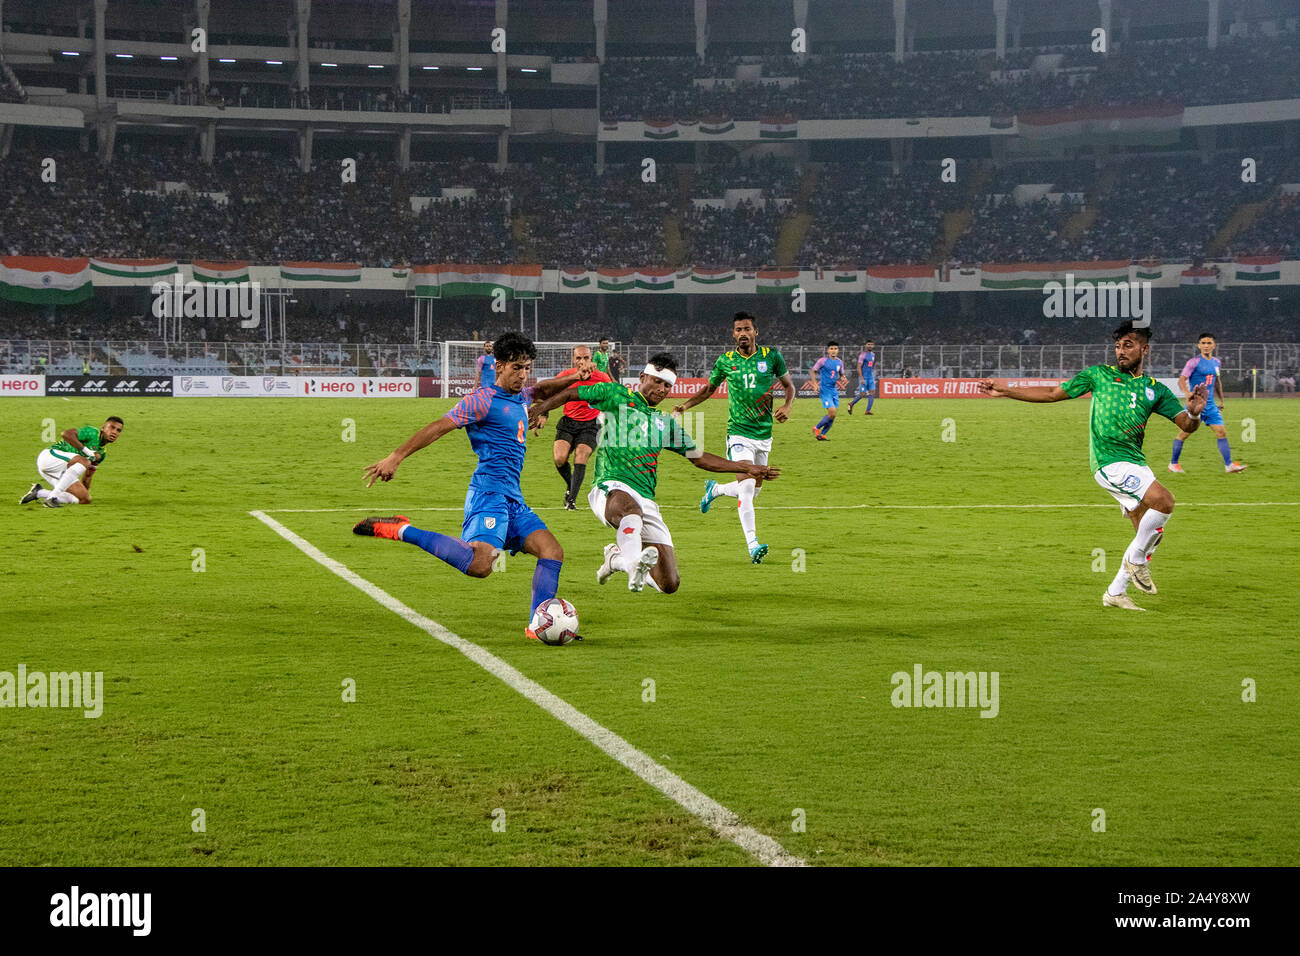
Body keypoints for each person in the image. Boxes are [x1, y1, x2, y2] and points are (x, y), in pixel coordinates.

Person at [978, 321, 1208, 611]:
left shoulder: (1156, 390)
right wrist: (1007, 390)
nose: (1121, 351)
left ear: (1144, 349)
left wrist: (1195, 412)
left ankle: (1115, 592)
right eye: (1118, 346)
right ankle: (1136, 561)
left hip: (1136, 463)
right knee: (1164, 501)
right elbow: (1052, 393)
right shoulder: (1099, 375)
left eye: (1128, 345)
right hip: (1108, 462)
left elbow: (1185, 424)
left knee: (1146, 535)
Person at [354, 333, 565, 641]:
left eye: (527, 368)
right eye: (517, 367)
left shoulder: (521, 397)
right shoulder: (482, 400)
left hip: (513, 499)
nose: (523, 374)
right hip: (488, 495)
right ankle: (401, 529)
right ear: (500, 366)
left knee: (552, 551)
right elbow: (438, 428)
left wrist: (579, 378)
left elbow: (545, 389)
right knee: (480, 566)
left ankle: (538, 625)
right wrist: (396, 457)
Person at [527, 354, 780, 593]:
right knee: (629, 510)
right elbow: (573, 392)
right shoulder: (615, 394)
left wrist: (747, 467)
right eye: (657, 381)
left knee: (668, 584)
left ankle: (617, 560)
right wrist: (541, 409)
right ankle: (632, 563)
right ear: (642, 377)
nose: (661, 389)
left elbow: (699, 457)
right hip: (610, 487)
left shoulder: (665, 423)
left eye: (667, 386)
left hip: (645, 499)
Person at [673, 311, 796, 564]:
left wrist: (787, 406)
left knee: (753, 490)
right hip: (738, 432)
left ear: (755, 332)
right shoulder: (725, 361)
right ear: (733, 334)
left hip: (764, 434)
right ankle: (752, 544)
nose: (742, 333)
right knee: (748, 486)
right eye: (738, 330)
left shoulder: (771, 356)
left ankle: (715, 490)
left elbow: (789, 386)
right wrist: (685, 406)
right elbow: (709, 389)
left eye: (747, 329)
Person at [532, 345, 612, 510]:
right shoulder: (565, 376)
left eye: (586, 358)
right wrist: (544, 414)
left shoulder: (602, 377)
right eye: (578, 358)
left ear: (591, 359)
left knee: (581, 455)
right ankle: (571, 485)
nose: (582, 361)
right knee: (559, 459)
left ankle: (571, 501)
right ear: (573, 359)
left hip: (591, 424)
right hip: (568, 422)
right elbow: (549, 395)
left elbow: (612, 400)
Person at [1168, 332, 1247, 474]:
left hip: (1210, 406)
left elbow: (1217, 382)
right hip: (1196, 406)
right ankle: (1173, 464)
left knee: (1221, 432)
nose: (1206, 346)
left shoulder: (1217, 362)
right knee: (1183, 434)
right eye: (1203, 343)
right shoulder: (1193, 362)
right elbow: (1181, 380)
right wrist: (1187, 393)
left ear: (1214, 345)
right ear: (1199, 345)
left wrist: (1221, 400)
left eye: (1209, 343)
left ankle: (1229, 465)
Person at [21, 417, 124, 508]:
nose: (114, 432)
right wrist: (87, 452)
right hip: (49, 458)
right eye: (112, 427)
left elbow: (88, 476)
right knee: (85, 460)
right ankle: (52, 498)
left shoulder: (102, 454)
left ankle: (38, 492)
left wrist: (83, 493)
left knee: (82, 500)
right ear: (103, 427)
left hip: (63, 470)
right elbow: (66, 434)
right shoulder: (92, 433)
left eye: (118, 430)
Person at [806, 341, 847, 440]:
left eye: (835, 349)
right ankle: (817, 428)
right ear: (828, 350)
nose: (833, 351)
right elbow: (813, 371)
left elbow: (841, 373)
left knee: (832, 415)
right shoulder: (822, 361)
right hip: (825, 389)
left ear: (838, 350)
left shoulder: (839, 362)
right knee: (832, 412)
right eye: (831, 349)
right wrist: (815, 384)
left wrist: (843, 377)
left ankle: (822, 434)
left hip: (834, 390)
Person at [847, 339, 877, 415]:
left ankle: (867, 411)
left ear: (873, 346)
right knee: (863, 394)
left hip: (870, 377)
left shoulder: (873, 355)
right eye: (868, 344)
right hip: (864, 377)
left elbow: (870, 366)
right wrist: (862, 378)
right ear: (866, 345)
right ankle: (851, 404)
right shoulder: (862, 355)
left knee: (872, 393)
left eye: (871, 344)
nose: (870, 346)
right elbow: (859, 367)